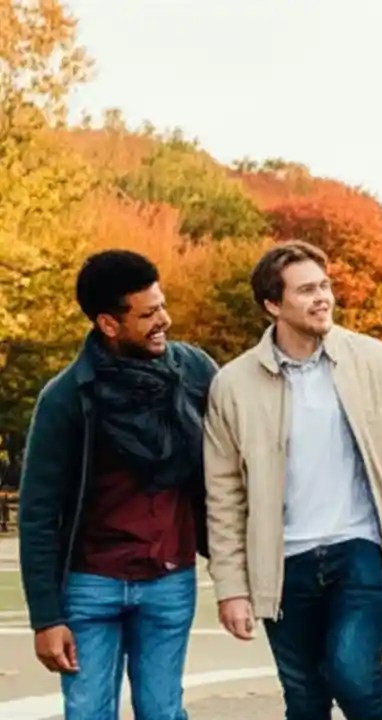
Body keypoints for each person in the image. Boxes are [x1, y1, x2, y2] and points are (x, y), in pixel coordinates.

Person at [202, 240, 382, 720]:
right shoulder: (233, 385)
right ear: (272, 304)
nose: (322, 297)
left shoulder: (377, 361)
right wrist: (231, 587)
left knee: (352, 671)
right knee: (304, 698)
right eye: (306, 290)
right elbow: (223, 496)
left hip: (361, 548)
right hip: (282, 564)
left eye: (324, 286)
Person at [18, 250, 217, 719]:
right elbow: (38, 514)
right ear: (109, 324)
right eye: (148, 314)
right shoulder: (66, 398)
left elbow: (232, 462)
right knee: (87, 712)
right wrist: (46, 618)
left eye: (162, 305)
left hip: (170, 579)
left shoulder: (194, 373)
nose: (164, 320)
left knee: (162, 710)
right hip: (90, 585)